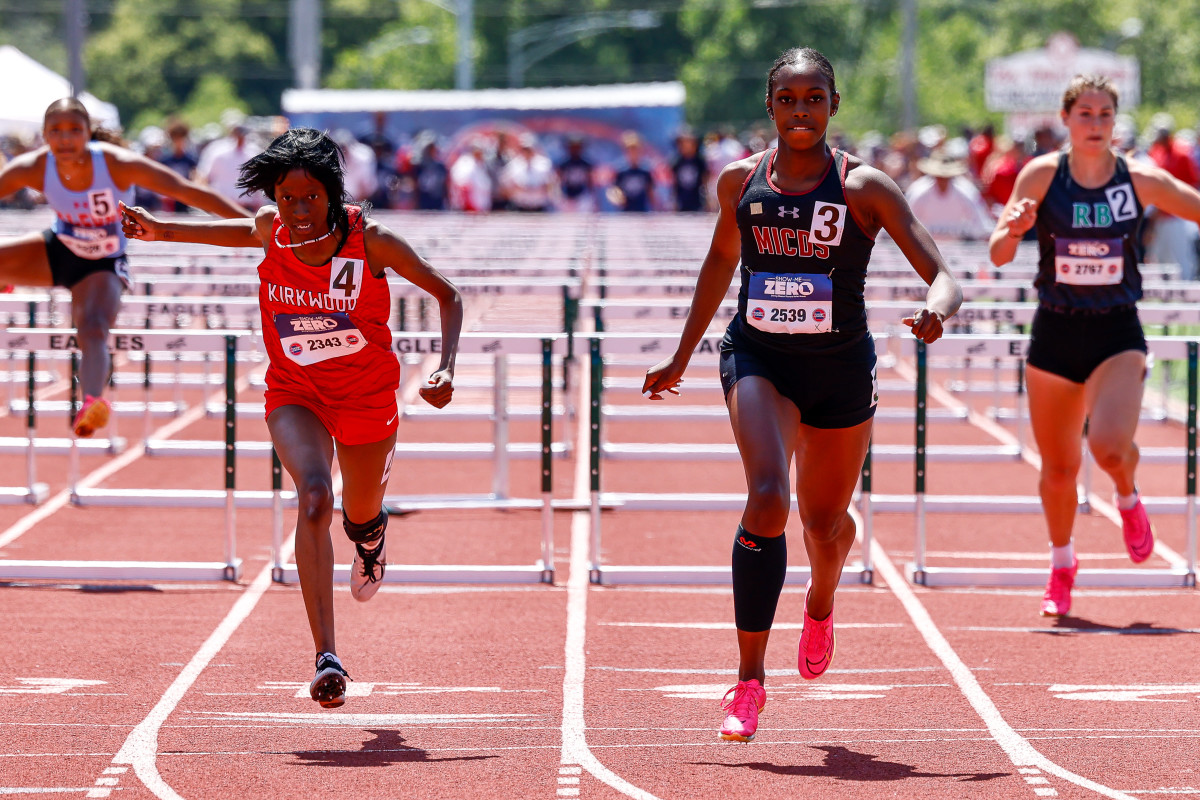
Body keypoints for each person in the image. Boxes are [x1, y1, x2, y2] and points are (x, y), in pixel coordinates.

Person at [642, 47, 960, 743]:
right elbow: (721, 265)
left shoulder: (864, 187)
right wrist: (680, 354)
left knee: (824, 526)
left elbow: (943, 274)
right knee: (766, 497)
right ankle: (749, 681)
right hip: (759, 356)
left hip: (841, 370)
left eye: (814, 98)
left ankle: (819, 601)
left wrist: (938, 307)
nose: (800, 111)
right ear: (770, 107)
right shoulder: (739, 183)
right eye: (788, 100)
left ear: (833, 106)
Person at [120, 127, 464, 709]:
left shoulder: (371, 241)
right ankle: (327, 656)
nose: (298, 211)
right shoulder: (269, 233)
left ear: (331, 195)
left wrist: (445, 368)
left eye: (309, 199)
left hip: (366, 396)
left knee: (358, 513)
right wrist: (158, 230)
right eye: (286, 199)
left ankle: (371, 537)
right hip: (295, 390)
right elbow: (222, 230)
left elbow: (448, 295)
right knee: (312, 497)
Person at [988, 75, 1200, 617]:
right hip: (1055, 332)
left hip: (1116, 330)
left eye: (1105, 114)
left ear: (1115, 122)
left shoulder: (1139, 179)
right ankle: (1062, 565)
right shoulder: (1042, 174)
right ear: (1066, 119)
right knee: (1058, 470)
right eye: (1085, 113)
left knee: (1107, 446)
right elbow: (997, 254)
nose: (1096, 124)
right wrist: (1015, 228)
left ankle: (1127, 496)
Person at [0, 97, 251, 437]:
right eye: (56, 131)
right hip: (59, 248)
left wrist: (256, 226)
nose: (65, 139)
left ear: (88, 133)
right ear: (44, 135)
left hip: (102, 262)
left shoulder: (116, 164)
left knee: (92, 328)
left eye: (74, 130)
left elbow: (189, 192)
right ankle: (5, 278)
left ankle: (92, 402)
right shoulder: (33, 167)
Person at [905, 149, 995, 239]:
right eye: (939, 176)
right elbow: (907, 225)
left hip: (958, 249)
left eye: (946, 177)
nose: (942, 180)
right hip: (924, 248)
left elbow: (981, 226)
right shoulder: (918, 192)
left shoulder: (966, 192)